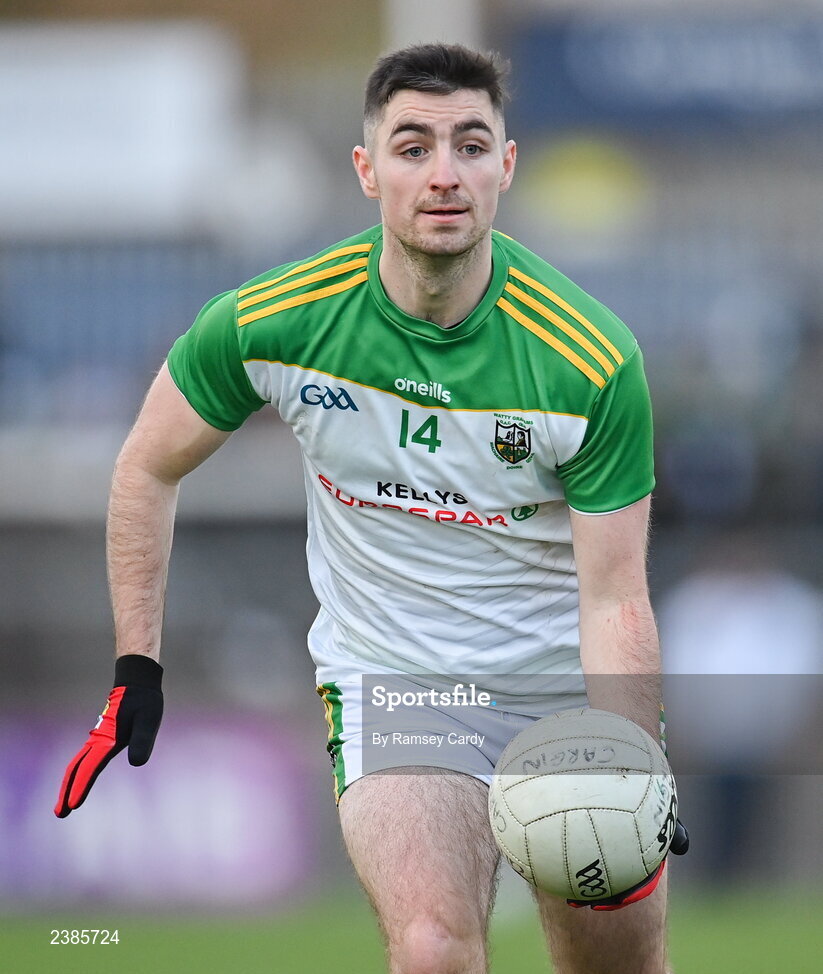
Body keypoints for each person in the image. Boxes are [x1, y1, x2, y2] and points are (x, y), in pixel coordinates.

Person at [54, 43, 686, 974]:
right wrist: (135, 667)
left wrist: (629, 751)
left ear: (505, 168)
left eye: (471, 145)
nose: (443, 174)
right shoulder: (272, 323)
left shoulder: (589, 360)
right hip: (395, 685)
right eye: (412, 146)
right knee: (432, 953)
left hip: (559, 690)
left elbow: (614, 596)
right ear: (366, 170)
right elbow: (145, 468)